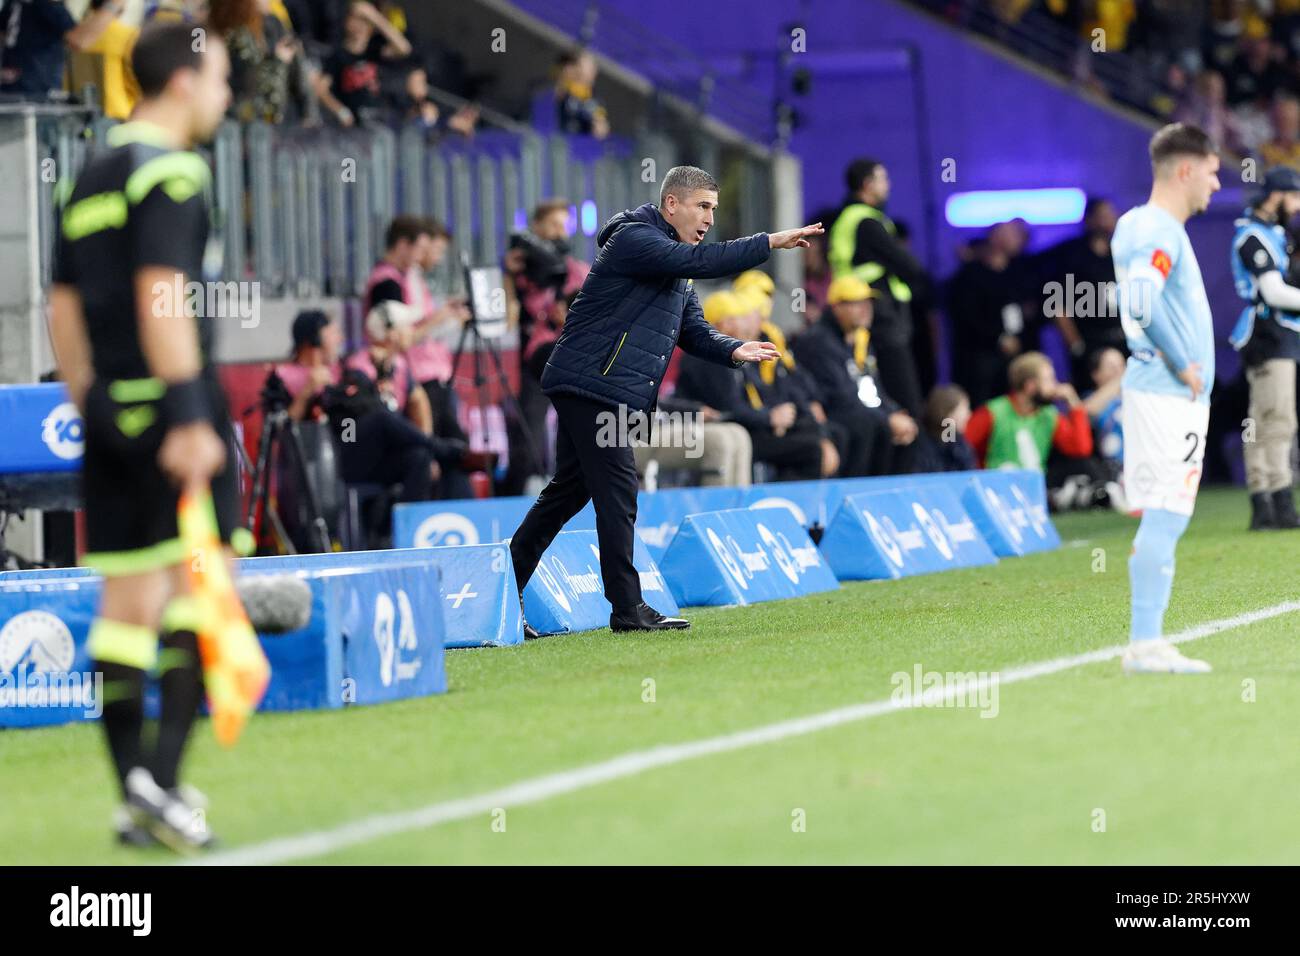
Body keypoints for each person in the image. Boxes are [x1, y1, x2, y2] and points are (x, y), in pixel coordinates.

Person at [46, 21, 237, 852]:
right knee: (199, 588)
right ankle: (158, 781)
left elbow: (60, 307)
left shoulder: (86, 173)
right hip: (172, 409)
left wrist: (96, 403)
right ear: (185, 82)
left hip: (108, 412)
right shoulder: (172, 169)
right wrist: (188, 413)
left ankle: (133, 791)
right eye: (224, 80)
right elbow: (163, 291)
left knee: (124, 607)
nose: (227, 98)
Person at [510, 165, 822, 635]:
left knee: (565, 495)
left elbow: (692, 330)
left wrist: (733, 349)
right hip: (593, 386)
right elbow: (703, 263)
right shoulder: (636, 241)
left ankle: (502, 591)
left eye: (714, 209)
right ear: (671, 204)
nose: (709, 218)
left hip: (606, 388)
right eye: (703, 206)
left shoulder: (676, 262)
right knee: (618, 490)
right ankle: (627, 608)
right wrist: (770, 242)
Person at [1111, 122, 1221, 674]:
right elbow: (1140, 300)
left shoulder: (1152, 227)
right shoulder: (1153, 227)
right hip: (1164, 393)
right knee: (1166, 513)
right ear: (1185, 169)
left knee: (1168, 513)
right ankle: (1146, 644)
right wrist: (1184, 362)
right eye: (1212, 170)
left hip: (1169, 396)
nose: (1217, 183)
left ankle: (1147, 642)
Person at [675, 290, 835, 483]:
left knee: (816, 431)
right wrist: (769, 418)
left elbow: (760, 392)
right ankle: (777, 504)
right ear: (721, 323)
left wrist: (778, 416)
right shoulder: (708, 359)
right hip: (721, 427)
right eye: (738, 319)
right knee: (809, 450)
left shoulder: (733, 353)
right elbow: (728, 407)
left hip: (746, 424)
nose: (746, 325)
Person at [827, 157, 929, 417]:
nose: (888, 184)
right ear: (867, 184)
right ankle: (910, 456)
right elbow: (909, 265)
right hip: (879, 313)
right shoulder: (866, 221)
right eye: (883, 178)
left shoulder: (849, 219)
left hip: (864, 310)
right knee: (905, 398)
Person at [1228, 165, 1300, 530]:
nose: (1297, 205)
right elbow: (1273, 291)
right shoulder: (1253, 236)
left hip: (1270, 334)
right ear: (1277, 196)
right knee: (1278, 418)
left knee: (1262, 418)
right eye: (1294, 197)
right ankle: (1278, 497)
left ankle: (1264, 500)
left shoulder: (1270, 233)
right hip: (1269, 334)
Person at [791, 275, 918, 476]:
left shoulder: (860, 339)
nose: (865, 308)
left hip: (862, 411)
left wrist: (892, 412)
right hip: (831, 412)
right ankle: (855, 491)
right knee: (871, 426)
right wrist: (886, 419)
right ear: (837, 307)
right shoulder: (818, 342)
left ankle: (891, 494)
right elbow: (841, 395)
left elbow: (873, 387)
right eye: (856, 303)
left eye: (867, 302)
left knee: (909, 424)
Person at [965, 351, 1093, 472]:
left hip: (1033, 489)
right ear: (1030, 385)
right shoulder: (993, 412)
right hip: (996, 489)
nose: (1055, 385)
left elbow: (1080, 449)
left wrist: (1074, 403)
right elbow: (963, 448)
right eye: (1049, 380)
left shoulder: (1049, 414)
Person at [0, 0, 121, 97]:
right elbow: (80, 40)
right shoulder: (48, 3)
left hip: (12, 87)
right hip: (35, 95)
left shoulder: (16, 3)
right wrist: (115, 4)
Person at [914, 384, 977, 473]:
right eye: (964, 409)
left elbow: (969, 471)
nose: (968, 415)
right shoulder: (921, 443)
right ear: (948, 413)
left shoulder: (956, 440)